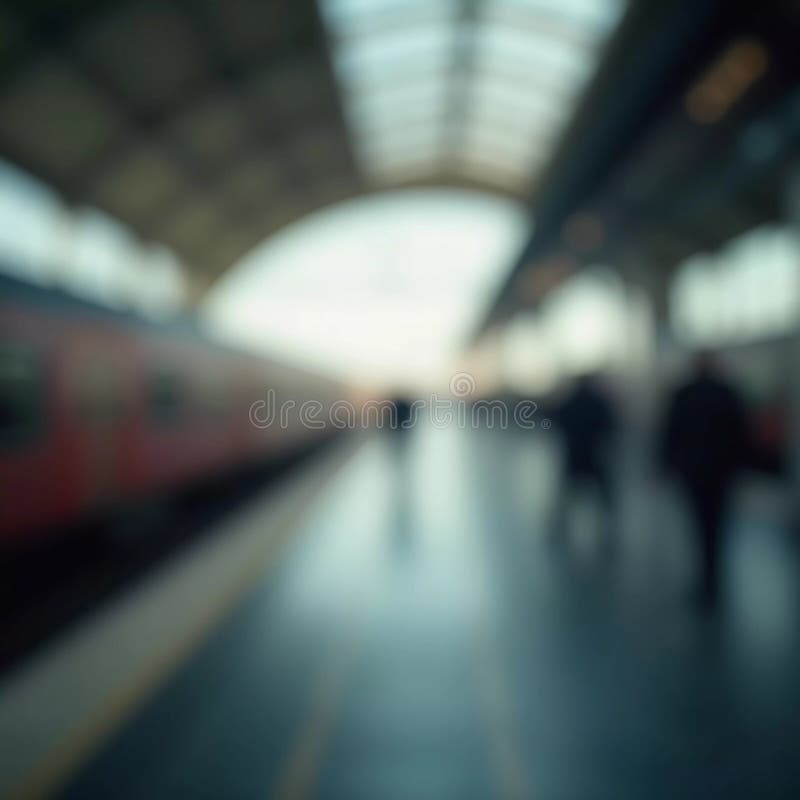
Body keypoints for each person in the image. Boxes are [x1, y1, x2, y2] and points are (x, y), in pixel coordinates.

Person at [659, 353, 749, 604]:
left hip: (694, 471)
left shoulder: (683, 394)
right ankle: (714, 577)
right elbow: (740, 431)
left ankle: (706, 579)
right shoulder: (726, 393)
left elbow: (670, 431)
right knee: (718, 523)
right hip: (721, 471)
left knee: (699, 523)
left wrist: (667, 465)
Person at [553, 373, 618, 535]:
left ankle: (558, 528)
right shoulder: (597, 403)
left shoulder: (570, 402)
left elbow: (558, 421)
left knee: (567, 495)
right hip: (594, 456)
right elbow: (610, 425)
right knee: (603, 498)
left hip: (575, 455)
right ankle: (609, 530)